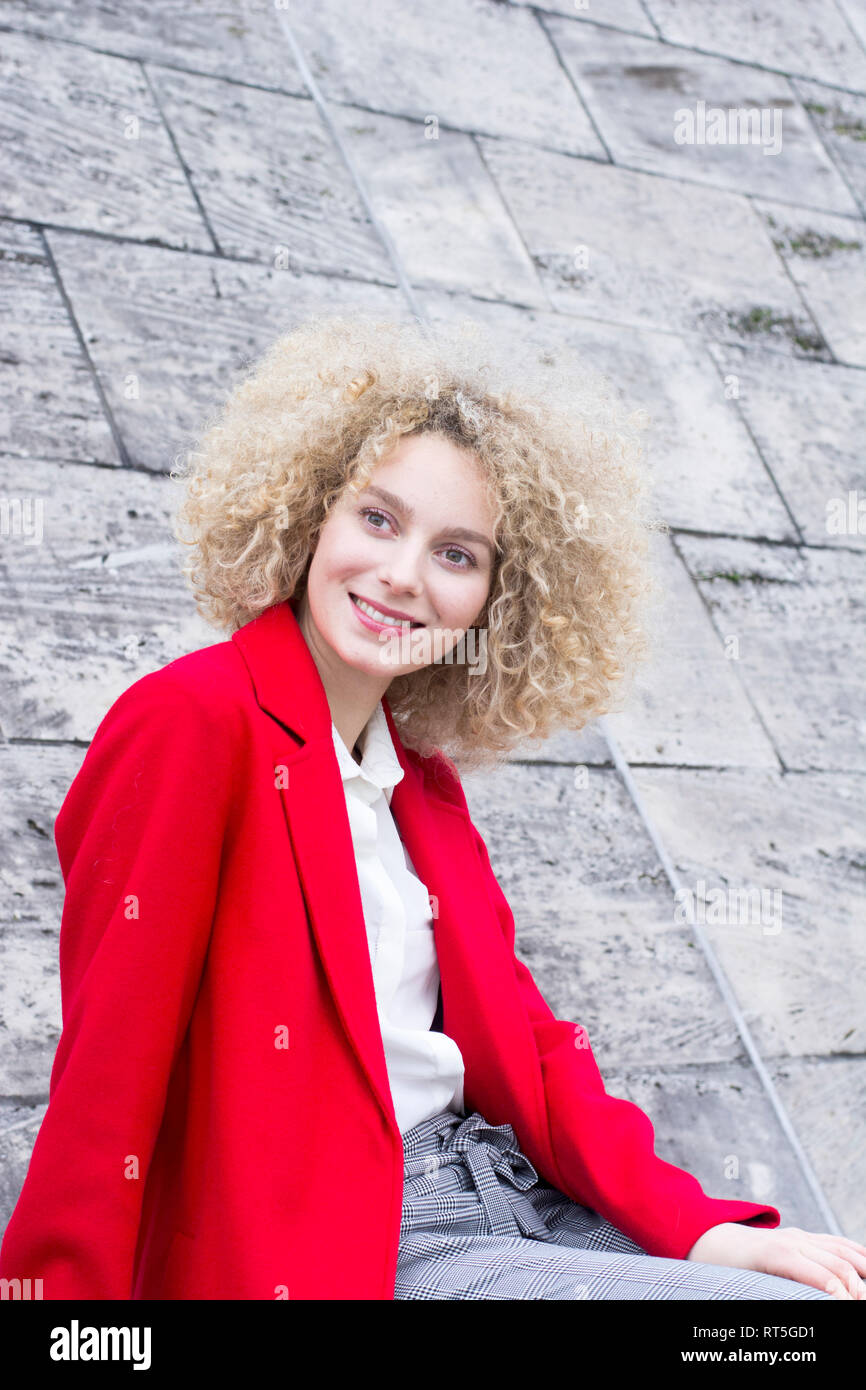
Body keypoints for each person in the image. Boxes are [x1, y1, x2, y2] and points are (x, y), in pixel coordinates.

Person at [0, 314, 861, 1301]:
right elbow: (107, 1072)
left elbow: (532, 1055)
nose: (403, 575)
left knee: (814, 1302)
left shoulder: (421, 787)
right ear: (310, 512)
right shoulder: (194, 721)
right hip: (363, 1242)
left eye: (457, 554)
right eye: (376, 519)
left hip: (513, 1197)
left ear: (496, 597)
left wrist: (701, 1230)